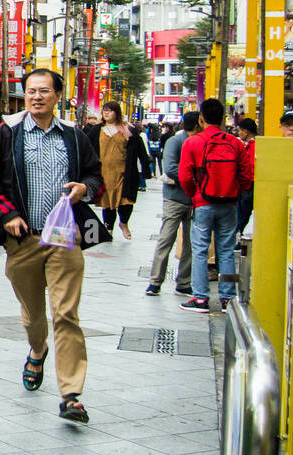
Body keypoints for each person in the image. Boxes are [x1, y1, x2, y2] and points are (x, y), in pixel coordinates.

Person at [0, 69, 103, 424]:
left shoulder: (74, 138)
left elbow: (96, 176)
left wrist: (84, 188)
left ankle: (71, 394)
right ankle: (37, 348)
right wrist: (8, 216)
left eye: (44, 91)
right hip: (24, 240)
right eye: (31, 91)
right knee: (33, 315)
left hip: (65, 239)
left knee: (66, 314)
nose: (36, 97)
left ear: (58, 96)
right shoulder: (5, 135)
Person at [179, 98, 254, 313]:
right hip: (229, 204)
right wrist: (234, 193)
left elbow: (185, 177)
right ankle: (227, 299)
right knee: (227, 251)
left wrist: (195, 194)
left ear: (201, 119)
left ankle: (200, 298)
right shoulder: (235, 143)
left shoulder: (192, 143)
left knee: (200, 250)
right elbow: (247, 175)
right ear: (222, 118)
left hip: (203, 203)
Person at [145, 111, 200, 297]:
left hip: (194, 200)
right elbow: (170, 168)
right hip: (175, 199)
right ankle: (155, 281)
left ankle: (184, 282)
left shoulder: (200, 142)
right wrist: (195, 180)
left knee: (191, 243)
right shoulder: (175, 142)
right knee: (166, 239)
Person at [95, 102, 152, 239]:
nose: (106, 113)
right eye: (104, 110)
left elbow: (141, 150)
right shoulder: (97, 130)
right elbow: (85, 150)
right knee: (108, 202)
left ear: (117, 112)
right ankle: (109, 228)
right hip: (105, 173)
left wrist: (146, 170)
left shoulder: (127, 130)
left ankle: (124, 223)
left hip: (125, 172)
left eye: (110, 111)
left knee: (126, 200)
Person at [235, 117, 258, 236]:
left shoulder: (253, 146)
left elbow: (250, 167)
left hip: (249, 186)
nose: (239, 133)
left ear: (246, 131)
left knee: (242, 213)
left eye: (240, 130)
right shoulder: (251, 145)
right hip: (249, 185)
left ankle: (237, 237)